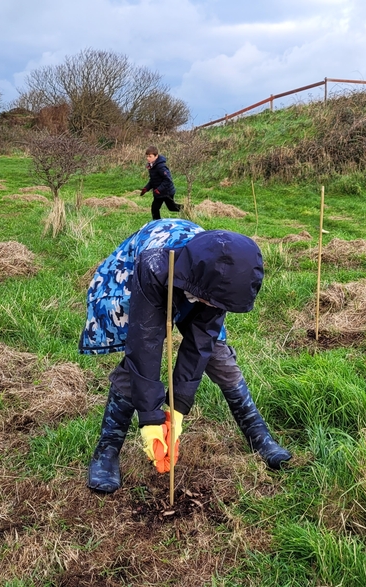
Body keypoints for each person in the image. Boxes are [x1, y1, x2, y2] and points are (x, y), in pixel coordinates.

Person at [79, 219, 291, 493]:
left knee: (218, 356)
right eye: (216, 303)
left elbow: (200, 343)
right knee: (135, 366)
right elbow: (145, 346)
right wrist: (151, 418)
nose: (216, 308)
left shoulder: (221, 276)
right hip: (144, 279)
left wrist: (177, 409)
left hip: (198, 281)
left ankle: (259, 435)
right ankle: (106, 451)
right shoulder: (154, 264)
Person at [140, 146, 180, 220]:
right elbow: (153, 180)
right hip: (158, 192)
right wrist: (146, 188)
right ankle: (156, 224)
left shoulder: (160, 167)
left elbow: (168, 180)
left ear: (156, 156)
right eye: (147, 156)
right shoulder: (151, 166)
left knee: (172, 208)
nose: (148, 158)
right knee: (155, 209)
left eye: (150, 156)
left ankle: (188, 209)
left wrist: (159, 189)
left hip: (167, 192)